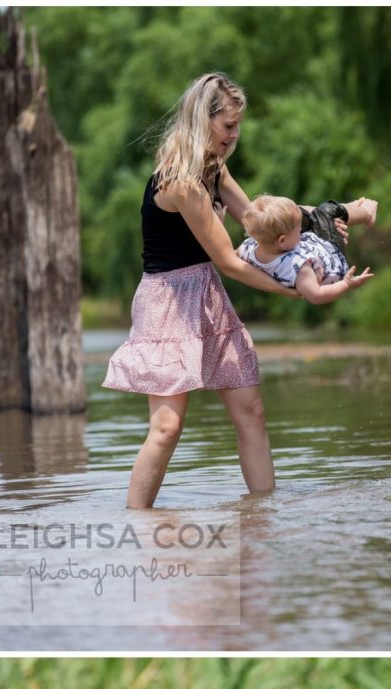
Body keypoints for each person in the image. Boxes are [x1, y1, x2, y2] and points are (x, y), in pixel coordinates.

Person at [104, 72, 325, 509]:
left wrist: (336, 214)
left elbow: (258, 221)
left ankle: (262, 520)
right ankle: (137, 525)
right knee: (167, 427)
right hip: (167, 302)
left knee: (252, 412)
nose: (234, 135)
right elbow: (229, 261)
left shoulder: (213, 168)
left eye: (238, 125)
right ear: (201, 121)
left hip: (205, 294)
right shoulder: (180, 180)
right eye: (228, 125)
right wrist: (298, 293)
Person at [238, 194, 377, 305]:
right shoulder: (300, 267)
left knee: (306, 216)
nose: (300, 230)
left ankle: (350, 209)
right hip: (331, 255)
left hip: (308, 246)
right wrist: (347, 284)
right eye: (298, 230)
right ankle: (367, 213)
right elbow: (317, 296)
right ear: (281, 240)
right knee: (325, 210)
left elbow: (229, 256)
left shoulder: (248, 247)